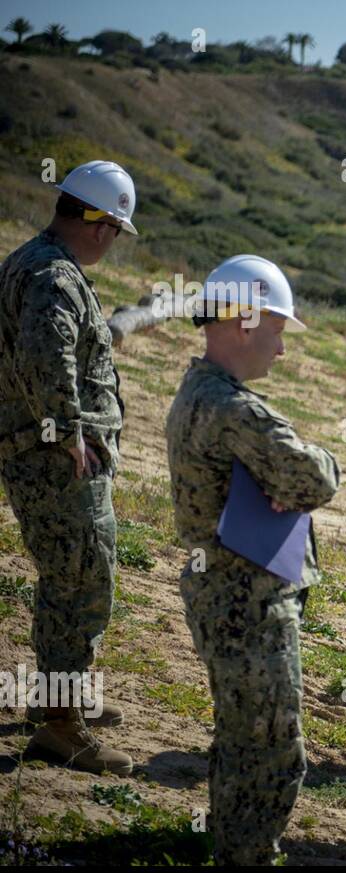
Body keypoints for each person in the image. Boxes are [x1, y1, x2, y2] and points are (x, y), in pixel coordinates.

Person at [166, 254, 340, 864]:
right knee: (273, 748)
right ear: (245, 320)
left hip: (223, 590)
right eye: (279, 330)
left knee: (241, 735)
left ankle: (231, 846)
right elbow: (316, 479)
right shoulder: (236, 409)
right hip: (247, 602)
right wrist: (312, 464)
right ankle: (247, 855)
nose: (282, 350)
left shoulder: (199, 389)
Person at [0, 160, 139, 775]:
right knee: (82, 579)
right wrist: (68, 430)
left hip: (45, 452)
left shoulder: (34, 261)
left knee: (70, 574)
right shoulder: (54, 276)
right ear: (104, 226)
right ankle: (62, 726)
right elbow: (45, 355)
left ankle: (61, 699)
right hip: (56, 461)